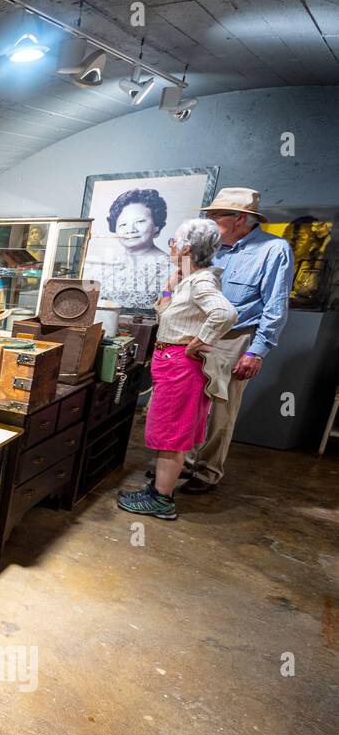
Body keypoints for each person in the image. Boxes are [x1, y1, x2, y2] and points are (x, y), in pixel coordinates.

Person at [118, 219, 236, 520]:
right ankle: (160, 488)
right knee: (171, 430)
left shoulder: (201, 282)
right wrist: (175, 278)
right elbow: (163, 308)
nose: (170, 245)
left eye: (173, 241)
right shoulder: (188, 279)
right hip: (173, 365)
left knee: (172, 433)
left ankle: (162, 500)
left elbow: (225, 312)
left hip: (181, 367)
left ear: (185, 247)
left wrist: (203, 339)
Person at [181, 188, 292, 493]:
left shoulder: (273, 250)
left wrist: (257, 351)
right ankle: (182, 465)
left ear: (240, 218)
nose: (209, 220)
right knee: (190, 403)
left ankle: (206, 472)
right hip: (196, 334)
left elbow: (276, 305)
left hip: (235, 338)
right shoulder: (210, 246)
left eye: (216, 215)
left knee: (220, 409)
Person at [89, 188, 170, 309]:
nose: (131, 230)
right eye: (123, 224)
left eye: (140, 221)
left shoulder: (171, 268)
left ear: (157, 226)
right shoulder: (107, 265)